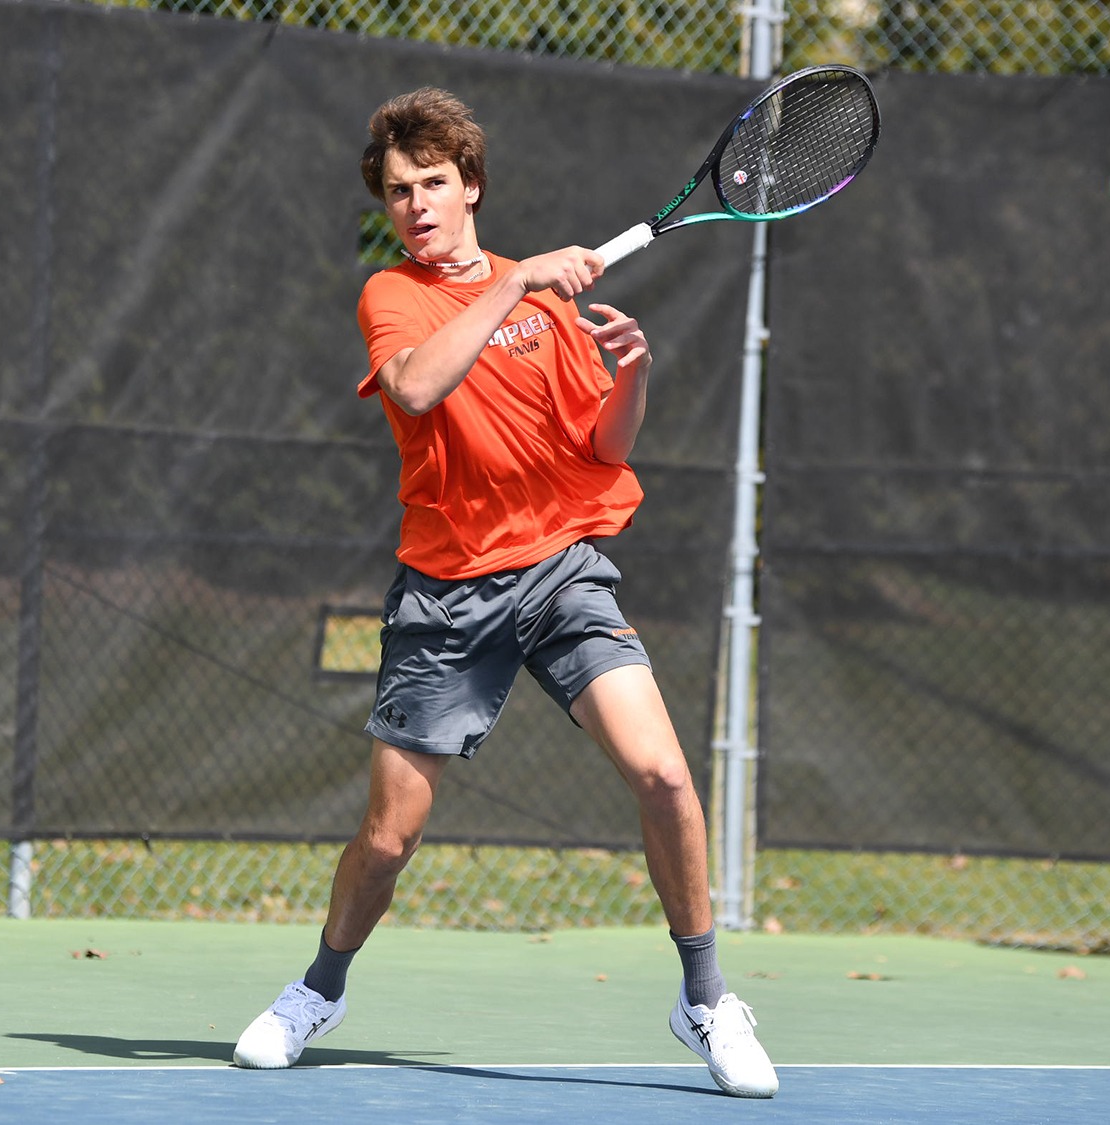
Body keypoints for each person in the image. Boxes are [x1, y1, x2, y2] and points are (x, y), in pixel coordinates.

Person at [231, 87, 777, 1099]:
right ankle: (319, 988)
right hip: (445, 594)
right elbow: (416, 389)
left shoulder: (544, 306)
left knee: (662, 775)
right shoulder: (390, 296)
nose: (416, 205)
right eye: (398, 192)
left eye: (433, 183)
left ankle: (705, 998)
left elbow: (600, 446)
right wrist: (517, 277)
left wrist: (633, 375)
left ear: (470, 184)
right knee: (389, 838)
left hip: (560, 571)